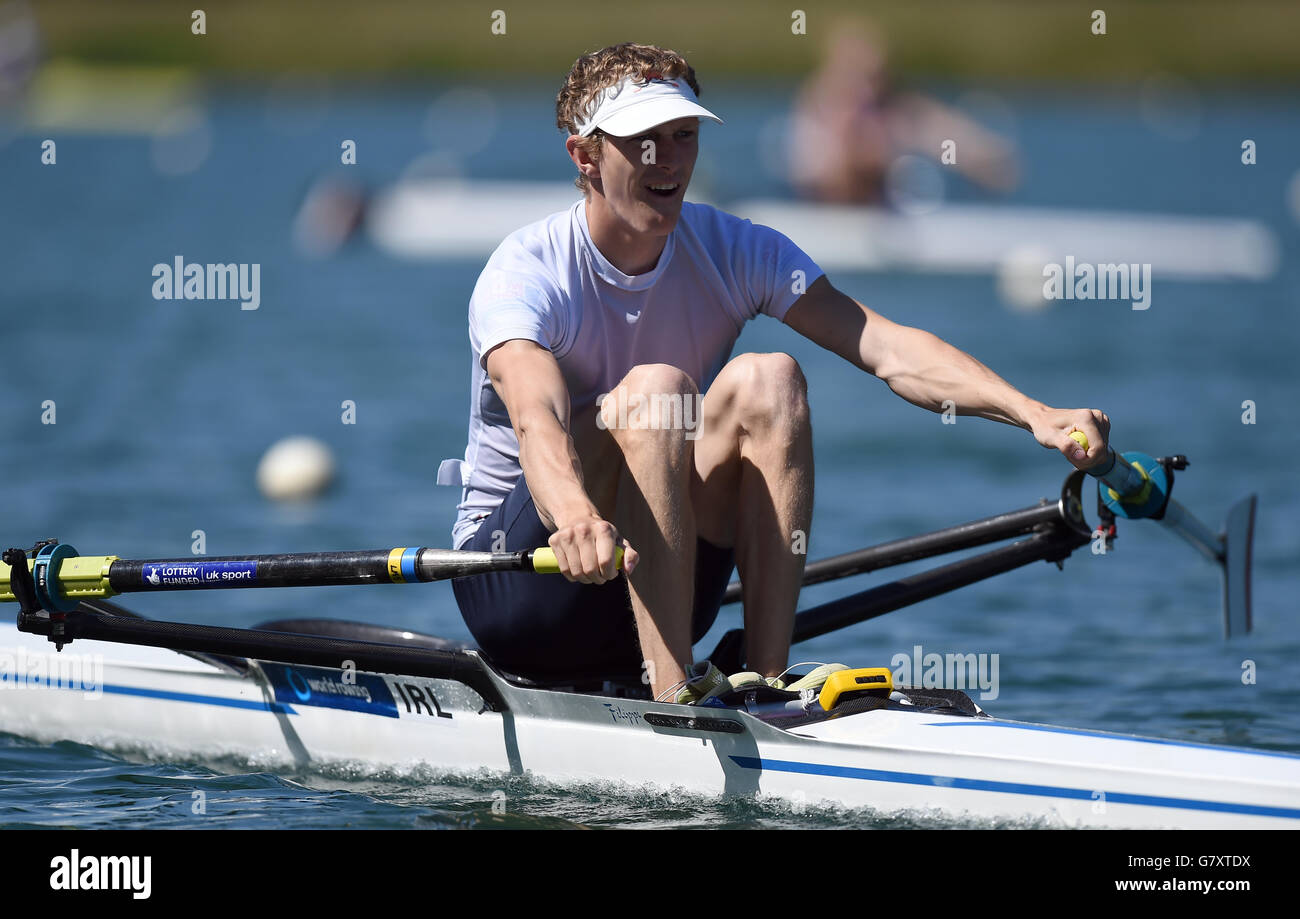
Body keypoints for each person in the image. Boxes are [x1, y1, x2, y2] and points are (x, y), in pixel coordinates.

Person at [442, 42, 1107, 702]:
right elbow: (538, 418)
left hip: (658, 578)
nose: (669, 158)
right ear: (584, 155)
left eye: (683, 134)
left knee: (771, 379)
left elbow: (889, 349)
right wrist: (577, 515)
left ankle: (764, 680)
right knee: (659, 390)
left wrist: (1033, 411)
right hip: (528, 584)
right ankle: (677, 698)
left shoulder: (735, 249)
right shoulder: (525, 272)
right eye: (644, 139)